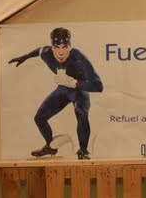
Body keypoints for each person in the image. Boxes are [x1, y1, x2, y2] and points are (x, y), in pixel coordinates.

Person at [7, 26, 104, 159]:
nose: (61, 52)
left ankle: (83, 151)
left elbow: (99, 86)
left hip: (79, 90)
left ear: (70, 47)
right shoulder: (46, 53)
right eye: (57, 47)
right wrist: (25, 57)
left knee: (81, 114)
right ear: (52, 48)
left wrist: (74, 83)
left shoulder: (78, 57)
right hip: (63, 89)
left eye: (65, 47)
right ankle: (50, 146)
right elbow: (39, 50)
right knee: (39, 118)